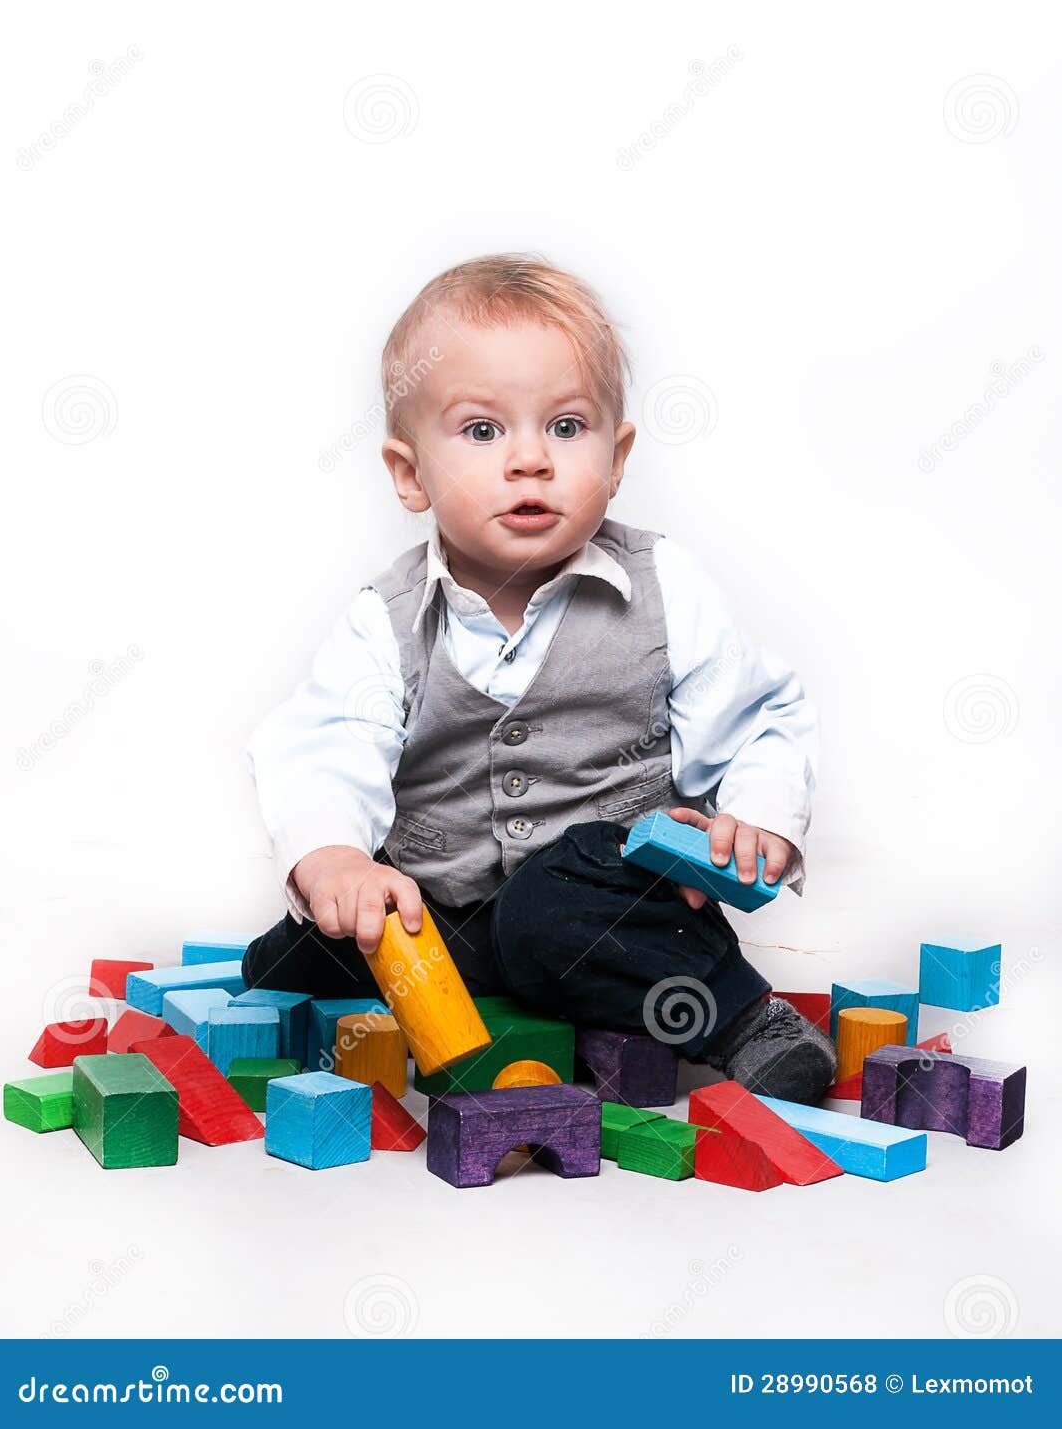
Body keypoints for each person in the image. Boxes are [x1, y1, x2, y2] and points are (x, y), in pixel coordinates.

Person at [242, 255, 834, 1100]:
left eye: (565, 427)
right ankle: (468, 1000)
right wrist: (332, 858)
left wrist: (755, 816)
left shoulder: (667, 589)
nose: (530, 460)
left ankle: (744, 1018)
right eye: (482, 431)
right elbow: (327, 743)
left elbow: (756, 718)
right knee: (315, 944)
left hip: (605, 897)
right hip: (448, 909)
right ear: (410, 475)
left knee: (558, 909)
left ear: (617, 455)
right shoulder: (387, 619)